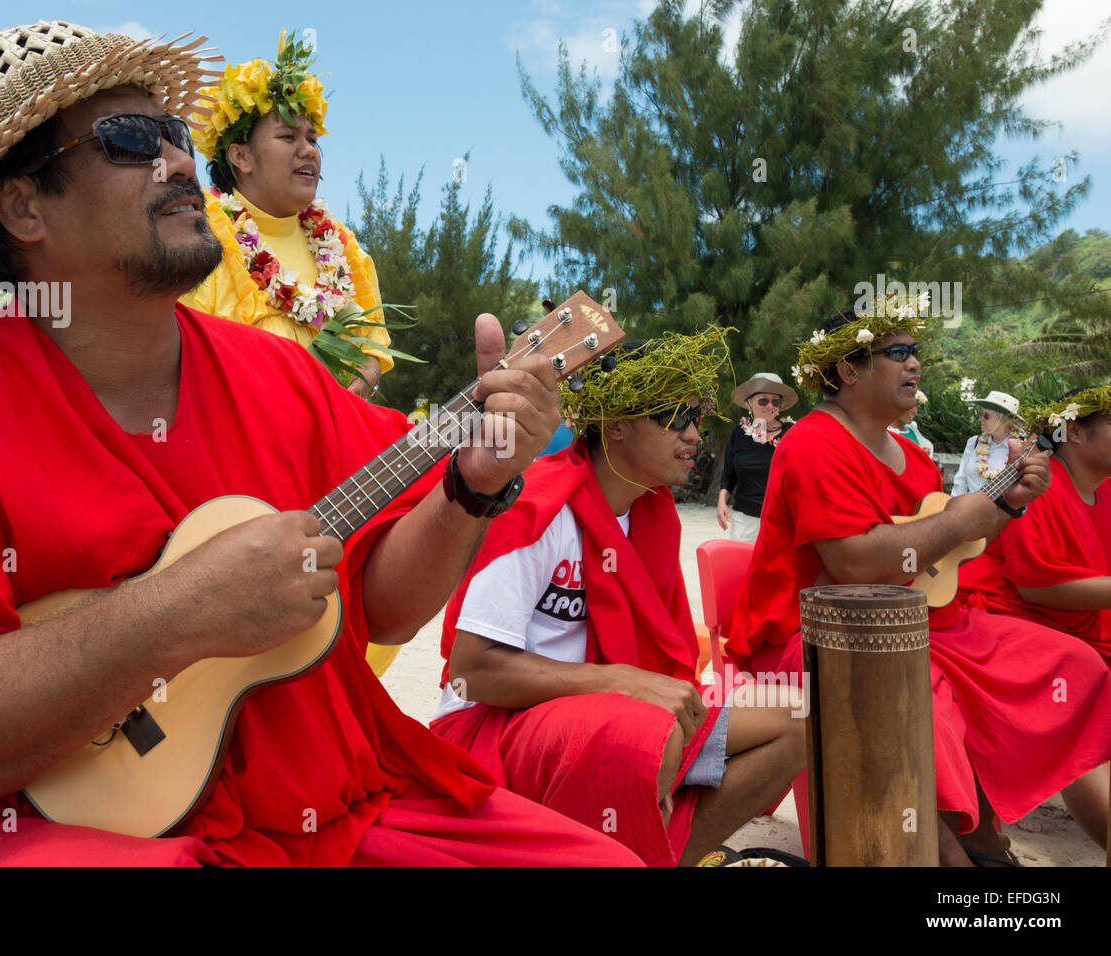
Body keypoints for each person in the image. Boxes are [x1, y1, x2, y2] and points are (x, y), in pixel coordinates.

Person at [0, 20, 642, 867]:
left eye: (175, 134)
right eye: (130, 140)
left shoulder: (280, 377)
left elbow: (384, 605)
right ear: (23, 204)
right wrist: (176, 616)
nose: (178, 160)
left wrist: (470, 488)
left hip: (336, 805)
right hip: (52, 835)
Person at [727, 303, 1111, 866]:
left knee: (1072, 665)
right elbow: (854, 566)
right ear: (848, 371)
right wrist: (960, 517)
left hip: (917, 622)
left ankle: (983, 835)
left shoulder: (914, 457)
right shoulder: (813, 442)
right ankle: (966, 858)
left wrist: (1006, 502)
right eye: (898, 353)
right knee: (917, 700)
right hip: (820, 636)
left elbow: (939, 557)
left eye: (916, 353)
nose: (916, 365)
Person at [432, 333, 806, 866]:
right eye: (674, 415)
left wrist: (639, 689)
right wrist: (624, 683)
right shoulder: (539, 507)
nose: (694, 433)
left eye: (697, 416)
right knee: (648, 729)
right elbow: (472, 673)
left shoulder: (654, 515)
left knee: (797, 716)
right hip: (493, 726)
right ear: (615, 426)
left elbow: (667, 660)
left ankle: (661, 858)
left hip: (607, 715)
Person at [181, 30, 391, 400]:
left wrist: (361, 379)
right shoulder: (200, 234)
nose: (309, 150)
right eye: (288, 137)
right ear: (240, 156)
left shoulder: (342, 247)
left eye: (313, 139)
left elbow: (371, 350)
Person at [958, 385, 1111, 849]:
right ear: (1077, 432)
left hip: (1082, 626)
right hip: (1015, 624)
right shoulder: (1038, 484)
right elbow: (1035, 585)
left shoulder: (1104, 489)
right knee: (1080, 685)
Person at [717, 372, 797, 542]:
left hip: (782, 520)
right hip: (745, 521)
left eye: (775, 401)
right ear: (749, 403)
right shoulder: (738, 434)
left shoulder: (792, 433)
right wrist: (722, 500)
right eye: (763, 400)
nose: (770, 406)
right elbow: (728, 475)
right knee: (741, 567)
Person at [951, 389, 1020, 495]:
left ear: (1003, 420)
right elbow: (961, 482)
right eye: (981, 414)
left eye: (986, 416)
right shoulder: (974, 442)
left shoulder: (1018, 449)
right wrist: (955, 508)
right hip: (968, 508)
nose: (981, 419)